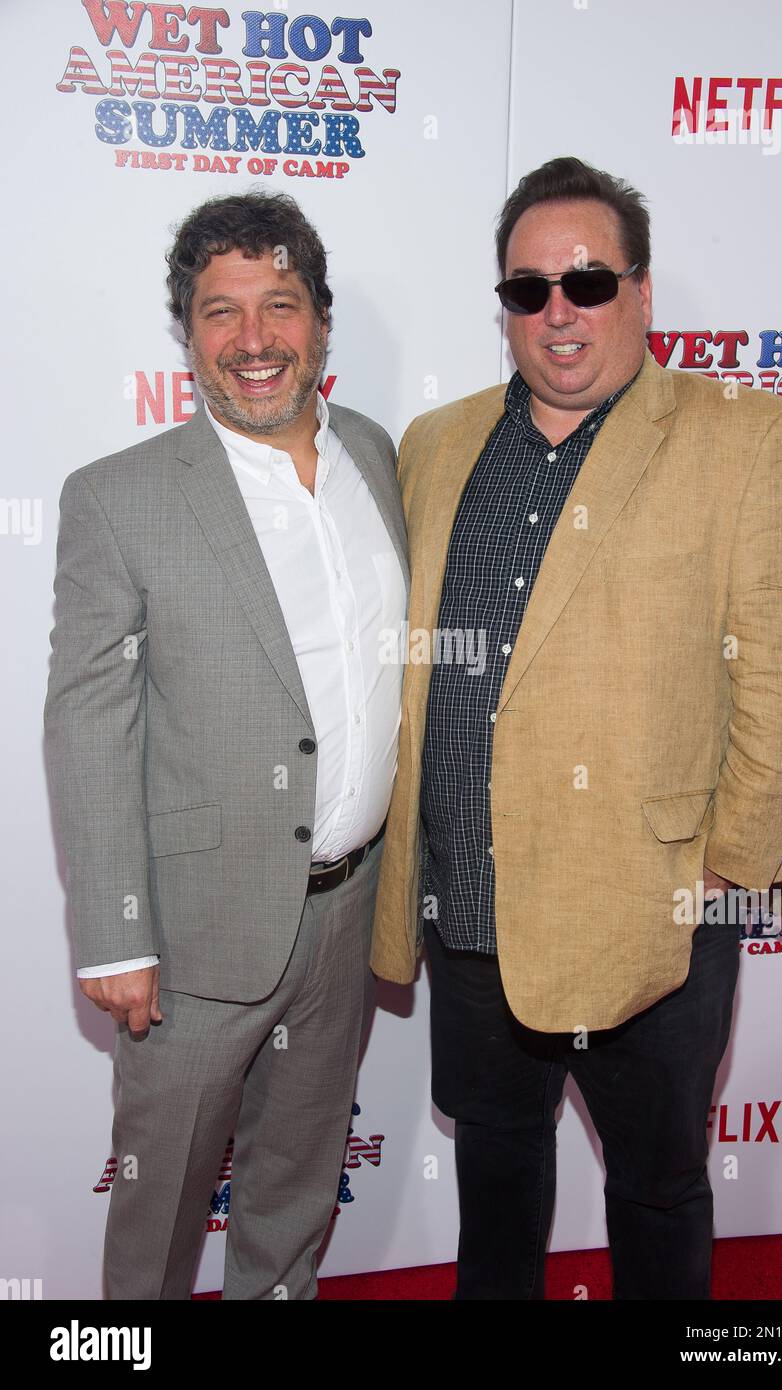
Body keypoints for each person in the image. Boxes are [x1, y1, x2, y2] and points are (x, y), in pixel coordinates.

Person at [370, 156, 782, 1299]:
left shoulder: (749, 440)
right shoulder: (436, 446)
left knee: (654, 1189)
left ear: (641, 293)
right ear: (501, 307)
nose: (558, 313)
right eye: (528, 289)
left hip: (654, 923)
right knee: (495, 1173)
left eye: (587, 284)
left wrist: (719, 877)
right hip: (471, 908)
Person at [44, 191, 408, 1300]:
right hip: (193, 939)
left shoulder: (373, 455)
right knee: (155, 1223)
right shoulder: (119, 497)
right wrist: (114, 936)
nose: (254, 341)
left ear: (321, 322)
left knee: (293, 1201)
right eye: (220, 312)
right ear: (188, 333)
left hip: (345, 911)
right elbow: (87, 714)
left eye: (280, 306)